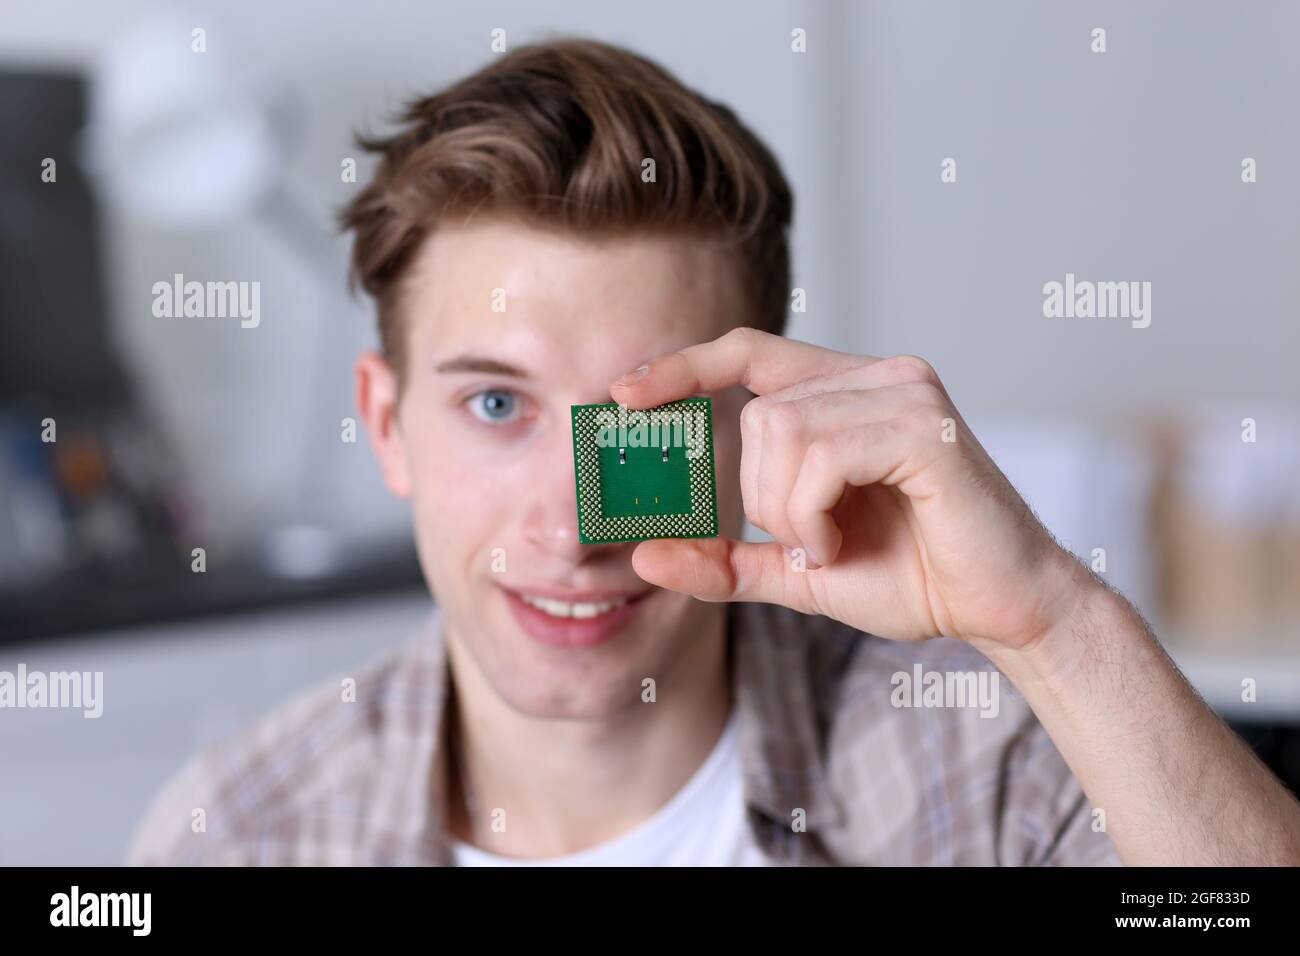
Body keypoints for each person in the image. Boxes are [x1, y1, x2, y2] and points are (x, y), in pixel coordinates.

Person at [128, 38, 1300, 866]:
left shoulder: (975, 774)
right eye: (497, 406)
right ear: (386, 424)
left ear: (754, 423)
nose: (575, 529)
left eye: (644, 428)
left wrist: (1055, 619)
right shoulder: (237, 834)